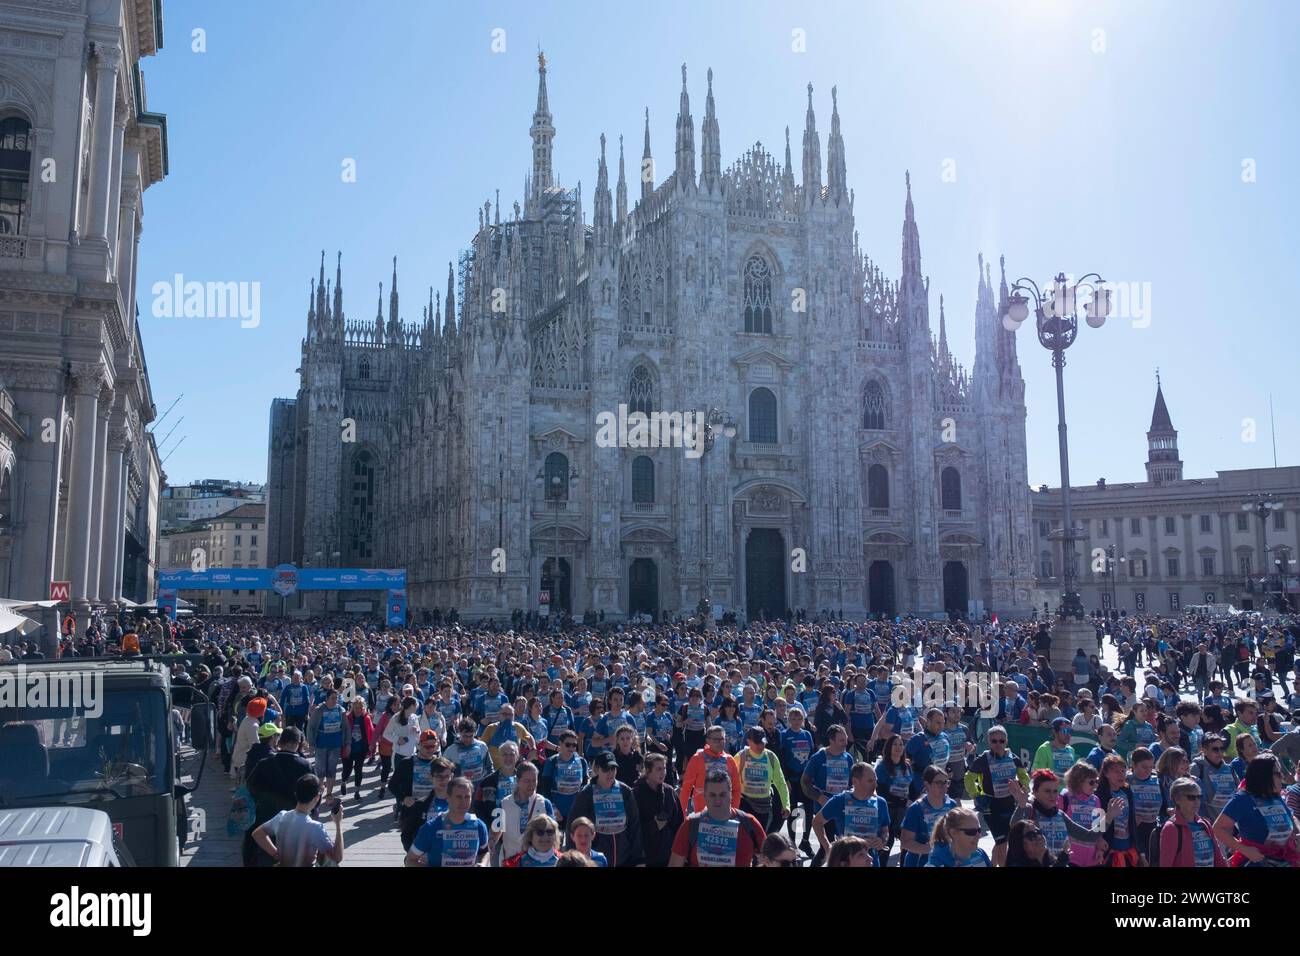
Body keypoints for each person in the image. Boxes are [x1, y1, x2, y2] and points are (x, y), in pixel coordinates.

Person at [243, 727, 313, 867]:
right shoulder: (305, 766)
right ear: (297, 743)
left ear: (280, 742)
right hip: (293, 824)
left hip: (264, 821)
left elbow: (250, 787)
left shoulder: (264, 763)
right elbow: (313, 796)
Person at [1213, 753, 1300, 866]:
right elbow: (1218, 828)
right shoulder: (1243, 799)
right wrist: (1244, 849)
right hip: (1255, 862)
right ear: (1264, 775)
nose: (1282, 777)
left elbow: (1292, 817)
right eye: (1278, 773)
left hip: (1283, 860)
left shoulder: (1276, 797)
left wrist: (1298, 832)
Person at [668, 771, 767, 867]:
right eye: (712, 795)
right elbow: (674, 863)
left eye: (722, 794)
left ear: (731, 794)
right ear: (705, 796)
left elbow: (771, 860)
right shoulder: (691, 825)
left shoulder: (749, 823)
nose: (718, 800)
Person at [1008, 769, 1106, 864]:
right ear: (1035, 792)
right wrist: (1021, 806)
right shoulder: (1030, 809)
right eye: (1047, 791)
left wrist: (1109, 817)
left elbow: (1089, 836)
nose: (1052, 795)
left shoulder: (1060, 815)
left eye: (1055, 791)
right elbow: (1014, 829)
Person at [965, 724, 1029, 867]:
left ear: (1006, 741)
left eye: (1001, 741)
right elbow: (969, 778)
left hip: (1009, 803)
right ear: (989, 741)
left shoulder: (1014, 757)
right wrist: (975, 795)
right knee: (1001, 843)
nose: (998, 744)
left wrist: (1021, 787)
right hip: (991, 806)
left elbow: (1024, 776)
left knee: (1003, 841)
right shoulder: (983, 759)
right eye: (994, 741)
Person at [567, 750, 644, 866]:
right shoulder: (586, 794)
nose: (610, 773)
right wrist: (572, 858)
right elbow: (572, 827)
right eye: (606, 769)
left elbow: (635, 825)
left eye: (613, 769)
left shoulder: (625, 791)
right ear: (597, 769)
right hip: (595, 860)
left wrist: (638, 859)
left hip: (624, 859)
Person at [251, 773, 344, 867]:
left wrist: (276, 854)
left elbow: (257, 834)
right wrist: (338, 823)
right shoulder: (315, 827)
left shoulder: (281, 817)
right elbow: (337, 857)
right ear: (316, 798)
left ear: (296, 794)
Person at [812, 761, 890, 867]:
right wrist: (828, 848)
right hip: (847, 861)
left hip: (871, 861)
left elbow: (885, 830)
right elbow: (817, 822)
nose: (875, 785)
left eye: (876, 781)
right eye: (870, 781)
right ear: (855, 781)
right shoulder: (840, 800)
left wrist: (882, 840)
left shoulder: (880, 803)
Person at [405, 776, 490, 867]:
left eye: (467, 797)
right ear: (448, 798)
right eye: (458, 797)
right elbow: (410, 861)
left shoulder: (479, 826)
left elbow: (485, 852)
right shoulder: (431, 828)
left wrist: (483, 864)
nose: (463, 801)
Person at [493, 760, 555, 865]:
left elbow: (553, 835)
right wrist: (491, 842)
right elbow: (496, 830)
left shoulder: (545, 804)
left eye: (534, 780)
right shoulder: (504, 803)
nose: (531, 785)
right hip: (510, 861)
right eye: (527, 781)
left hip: (537, 862)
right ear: (517, 780)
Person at [1158, 777, 1226, 867]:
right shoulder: (1171, 828)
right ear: (1177, 799)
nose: (1197, 801)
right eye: (1191, 797)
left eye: (1199, 797)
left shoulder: (1205, 824)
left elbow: (1219, 858)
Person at [899, 765, 957, 867]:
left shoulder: (952, 804)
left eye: (946, 782)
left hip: (947, 860)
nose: (943, 786)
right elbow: (905, 842)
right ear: (927, 785)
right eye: (939, 783)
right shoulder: (916, 808)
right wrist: (932, 849)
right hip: (920, 861)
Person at [635, 752, 685, 867]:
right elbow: (633, 828)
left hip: (667, 854)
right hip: (646, 856)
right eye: (658, 769)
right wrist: (653, 825)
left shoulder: (669, 792)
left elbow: (678, 823)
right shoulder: (636, 793)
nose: (663, 773)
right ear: (648, 771)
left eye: (664, 768)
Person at [735, 726, 789, 833]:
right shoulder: (741, 757)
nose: (761, 745)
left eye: (763, 742)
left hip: (765, 805)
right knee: (746, 839)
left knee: (760, 840)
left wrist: (786, 804)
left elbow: (780, 782)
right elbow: (731, 782)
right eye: (757, 742)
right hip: (745, 803)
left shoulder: (771, 757)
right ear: (748, 741)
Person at [680, 725, 742, 814]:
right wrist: (683, 812)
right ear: (708, 740)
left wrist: (734, 811)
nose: (719, 742)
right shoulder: (697, 758)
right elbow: (686, 788)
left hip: (724, 813)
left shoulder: (729, 760)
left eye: (722, 739)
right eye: (716, 740)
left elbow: (736, 789)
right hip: (701, 814)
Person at [540, 729, 589, 829]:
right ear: (560, 744)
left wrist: (582, 806)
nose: (571, 748)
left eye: (574, 745)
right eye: (568, 744)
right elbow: (545, 788)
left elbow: (584, 785)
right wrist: (552, 809)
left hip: (575, 811)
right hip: (557, 813)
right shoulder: (552, 761)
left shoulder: (582, 762)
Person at [1189, 732, 1237, 821]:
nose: (1219, 752)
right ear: (1205, 750)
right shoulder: (1197, 768)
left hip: (1230, 821)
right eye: (1215, 749)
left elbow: (1238, 793)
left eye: (1222, 749)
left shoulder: (1229, 769)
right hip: (1207, 822)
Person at [924, 807, 991, 867]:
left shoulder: (980, 855)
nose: (978, 835)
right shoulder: (937, 863)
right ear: (953, 833)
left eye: (979, 830)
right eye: (971, 832)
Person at [340, 696, 375, 799]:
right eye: (356, 707)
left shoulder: (366, 719)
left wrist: (371, 748)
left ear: (363, 708)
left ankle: (357, 791)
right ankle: (343, 782)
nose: (358, 710)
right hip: (348, 749)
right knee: (347, 769)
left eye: (360, 707)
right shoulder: (347, 717)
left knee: (358, 770)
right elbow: (342, 732)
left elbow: (371, 733)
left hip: (361, 749)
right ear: (352, 708)